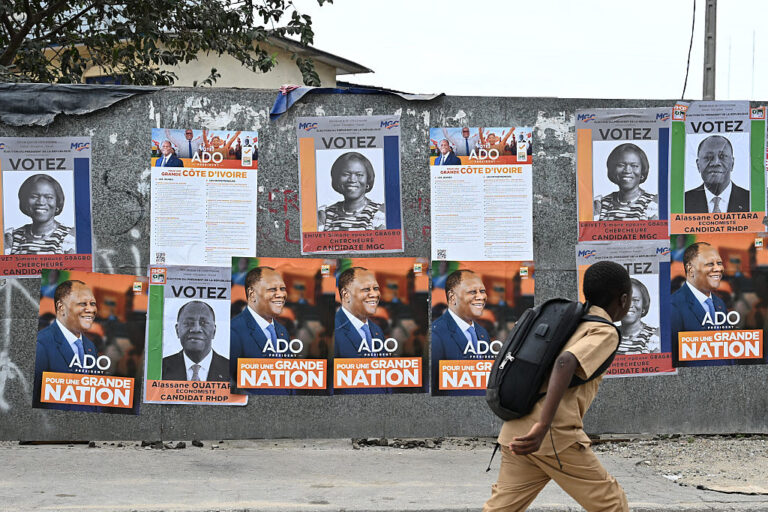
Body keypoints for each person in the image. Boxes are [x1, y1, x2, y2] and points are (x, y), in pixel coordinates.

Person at [483, 261, 631, 512]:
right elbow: (565, 361)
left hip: (516, 430)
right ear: (624, 299)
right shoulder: (603, 331)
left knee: (501, 509)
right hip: (553, 436)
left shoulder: (573, 322)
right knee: (612, 503)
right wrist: (543, 425)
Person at [33, 280, 100, 411]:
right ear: (61, 307)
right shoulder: (42, 344)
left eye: (92, 303)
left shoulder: (90, 346)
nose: (91, 309)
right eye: (82, 303)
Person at [670, 242, 733, 366]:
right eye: (710, 264)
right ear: (690, 269)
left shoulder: (719, 303)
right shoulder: (674, 305)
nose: (718, 268)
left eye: (719, 263)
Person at [229, 267, 292, 393]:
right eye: (272, 289)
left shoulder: (282, 331)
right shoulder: (234, 330)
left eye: (282, 289)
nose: (281, 294)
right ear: (252, 294)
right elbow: (227, 384)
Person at [430, 270, 492, 396]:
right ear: (453, 297)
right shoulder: (436, 334)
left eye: (482, 291)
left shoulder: (482, 333)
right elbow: (432, 389)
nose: (481, 297)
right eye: (473, 292)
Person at [334, 267, 390, 394]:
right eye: (366, 289)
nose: (375, 294)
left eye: (376, 288)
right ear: (345, 294)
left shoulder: (377, 331)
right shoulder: (334, 331)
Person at [4, 174, 76, 255]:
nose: (41, 202)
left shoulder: (71, 237)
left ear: (57, 203)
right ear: (25, 202)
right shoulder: (11, 238)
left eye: (48, 197)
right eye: (34, 196)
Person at [317, 152, 386, 232]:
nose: (352, 180)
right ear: (337, 179)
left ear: (368, 180)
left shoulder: (380, 213)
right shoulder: (324, 215)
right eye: (346, 174)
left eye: (359, 175)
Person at [162, 300, 229, 382]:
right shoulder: (160, 368)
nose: (196, 329)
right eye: (188, 323)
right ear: (177, 330)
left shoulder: (232, 369)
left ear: (214, 331)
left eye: (203, 323)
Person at [594, 143, 658, 221]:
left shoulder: (654, 203)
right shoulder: (600, 205)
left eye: (634, 166)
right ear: (613, 170)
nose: (627, 170)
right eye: (621, 165)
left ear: (642, 171)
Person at [685, 135, 749, 213]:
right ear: (698, 165)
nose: (715, 163)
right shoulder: (683, 202)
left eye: (722, 156)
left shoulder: (751, 200)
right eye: (708, 157)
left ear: (732, 163)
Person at [618, 278, 660, 354]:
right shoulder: (608, 335)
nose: (629, 305)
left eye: (635, 300)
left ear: (643, 306)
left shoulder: (655, 335)